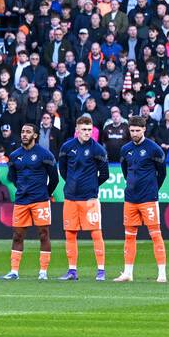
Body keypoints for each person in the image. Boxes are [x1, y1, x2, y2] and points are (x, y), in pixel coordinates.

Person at [57, 114, 110, 281]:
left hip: (89, 199)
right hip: (71, 197)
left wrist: (91, 185)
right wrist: (72, 183)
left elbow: (105, 174)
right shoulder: (66, 147)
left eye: (89, 129)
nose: (87, 132)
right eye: (84, 129)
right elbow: (63, 170)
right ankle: (72, 270)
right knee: (70, 233)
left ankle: (101, 270)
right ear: (77, 130)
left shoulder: (98, 149)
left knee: (95, 232)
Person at [115, 116, 168, 283]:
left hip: (148, 198)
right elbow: (125, 171)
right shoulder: (125, 149)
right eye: (132, 130)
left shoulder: (154, 149)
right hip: (130, 198)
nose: (135, 133)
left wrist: (152, 189)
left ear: (144, 129)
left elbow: (162, 173)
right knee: (129, 236)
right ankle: (128, 273)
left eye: (138, 130)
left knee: (155, 235)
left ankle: (162, 274)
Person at [5, 123, 59, 279]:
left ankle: (43, 271)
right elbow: (13, 177)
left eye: (28, 132)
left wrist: (45, 194)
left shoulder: (45, 155)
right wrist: (22, 189)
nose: (24, 134)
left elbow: (54, 179)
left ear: (35, 135)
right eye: (22, 131)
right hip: (21, 201)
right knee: (17, 235)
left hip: (40, 201)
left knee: (43, 234)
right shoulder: (14, 155)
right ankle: (14, 271)